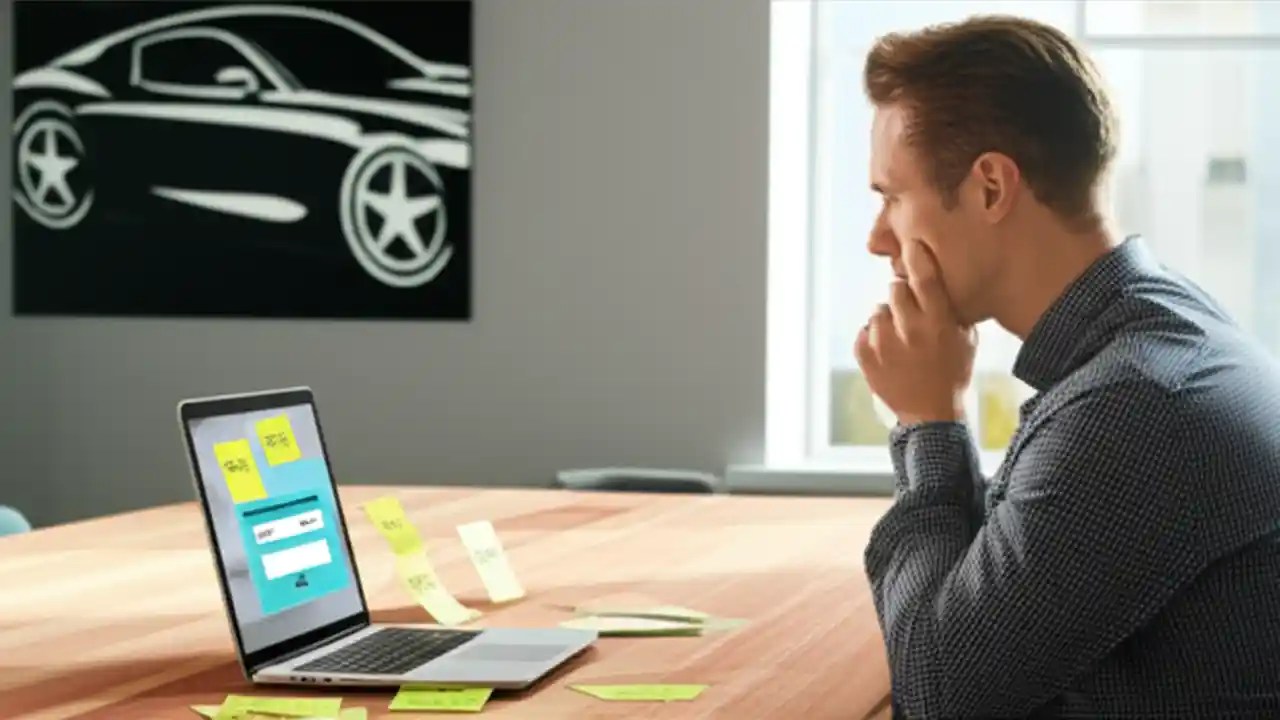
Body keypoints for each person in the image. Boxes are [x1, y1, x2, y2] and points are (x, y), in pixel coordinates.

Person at [854, 14, 1280, 719]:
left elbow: (937, 699)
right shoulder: (1163, 334)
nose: (877, 240)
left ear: (991, 187)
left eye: (892, 196)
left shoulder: (1138, 403)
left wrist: (926, 417)